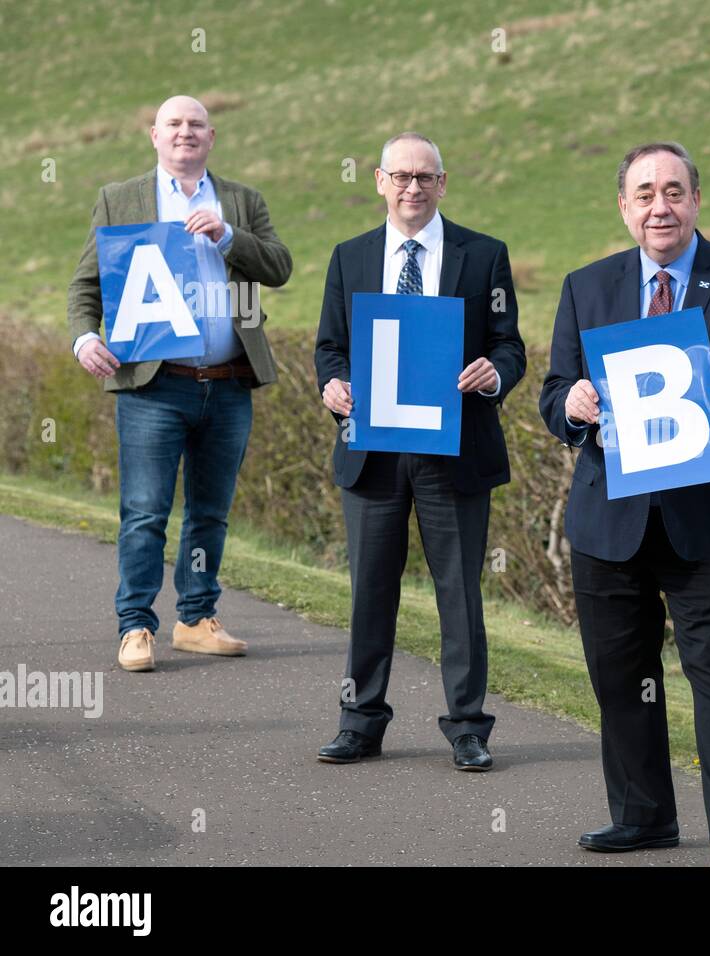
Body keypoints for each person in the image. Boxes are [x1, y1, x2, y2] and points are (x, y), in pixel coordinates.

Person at [539, 142, 710, 866]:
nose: (662, 206)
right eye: (646, 193)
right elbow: (553, 393)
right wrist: (575, 403)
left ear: (696, 200)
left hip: (706, 521)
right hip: (608, 520)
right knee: (622, 677)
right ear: (623, 207)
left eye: (675, 191)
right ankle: (643, 816)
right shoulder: (586, 286)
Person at [314, 132, 525, 771]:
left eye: (425, 177)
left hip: (454, 450)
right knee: (368, 591)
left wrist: (494, 373)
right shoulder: (349, 257)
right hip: (372, 451)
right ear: (379, 180)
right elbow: (330, 346)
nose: (412, 187)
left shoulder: (484, 255)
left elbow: (509, 344)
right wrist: (333, 386)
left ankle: (467, 727)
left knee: (459, 592)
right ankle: (361, 722)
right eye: (401, 176)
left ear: (443, 183)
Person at [67, 94, 293, 673]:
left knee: (210, 513)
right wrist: (84, 337)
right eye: (174, 124)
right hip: (153, 386)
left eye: (196, 124)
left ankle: (195, 619)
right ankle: (136, 626)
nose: (185, 132)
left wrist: (227, 237)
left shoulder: (242, 200)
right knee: (144, 511)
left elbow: (279, 267)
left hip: (228, 382)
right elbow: (85, 285)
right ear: (154, 135)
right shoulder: (120, 200)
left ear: (211, 137)